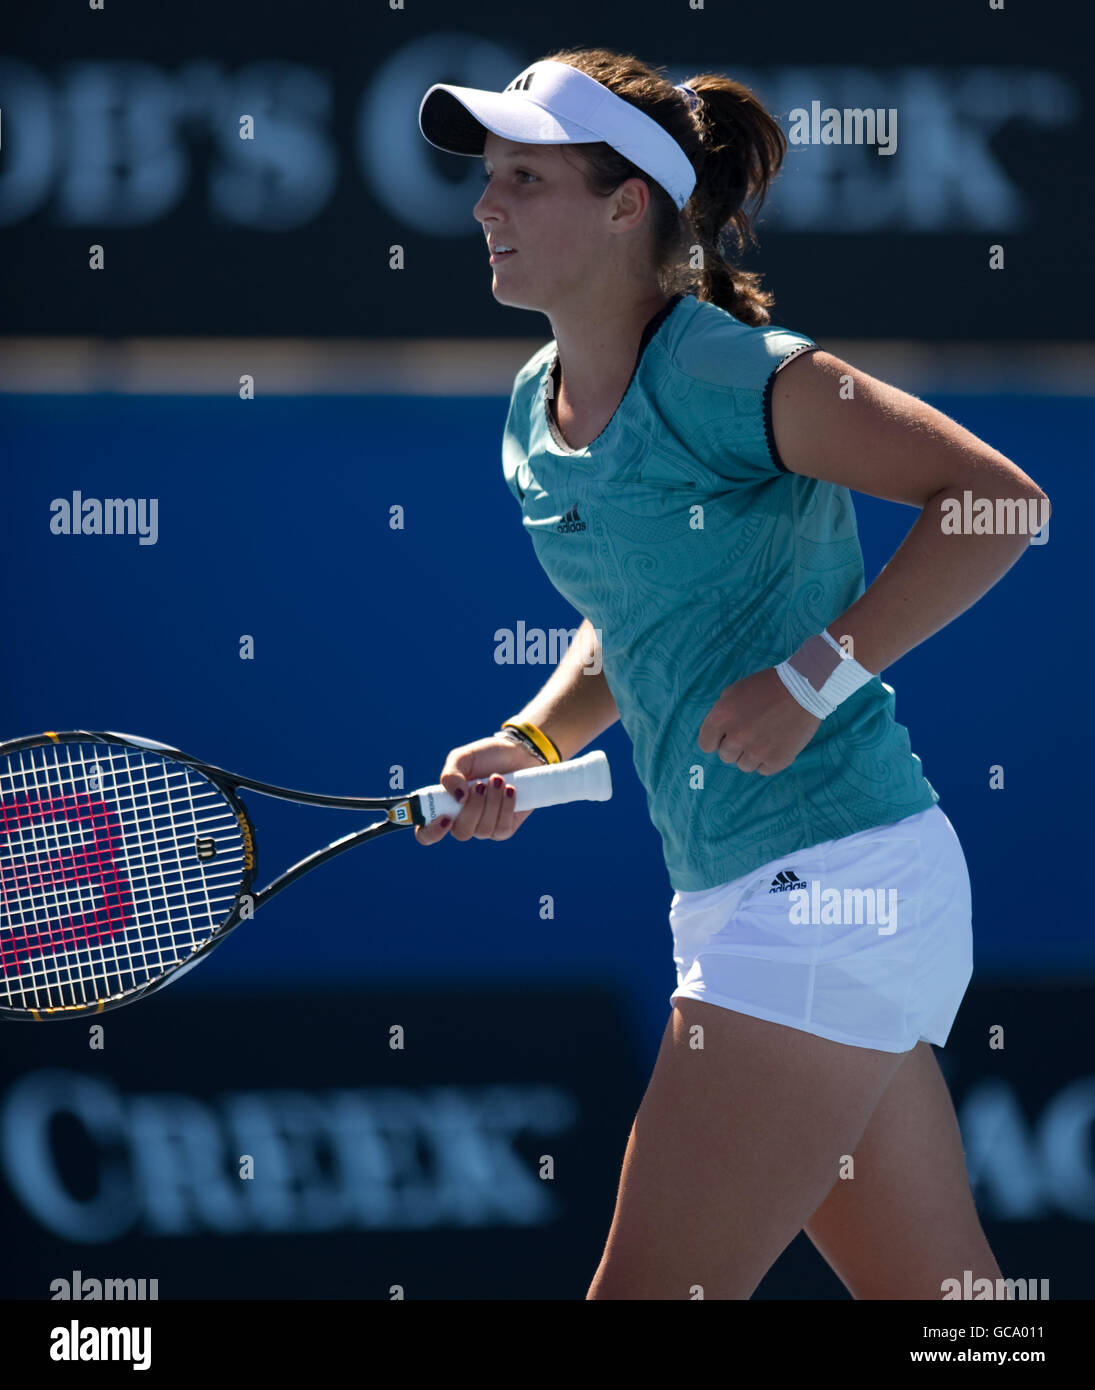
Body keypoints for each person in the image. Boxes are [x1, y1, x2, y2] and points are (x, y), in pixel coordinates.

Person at [414, 46, 1049, 1300]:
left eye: (525, 180)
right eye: (488, 178)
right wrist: (534, 739)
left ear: (624, 203)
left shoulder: (725, 371)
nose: (487, 206)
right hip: (760, 891)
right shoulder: (534, 409)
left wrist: (817, 672)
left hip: (831, 881)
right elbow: (632, 618)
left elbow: (997, 504)